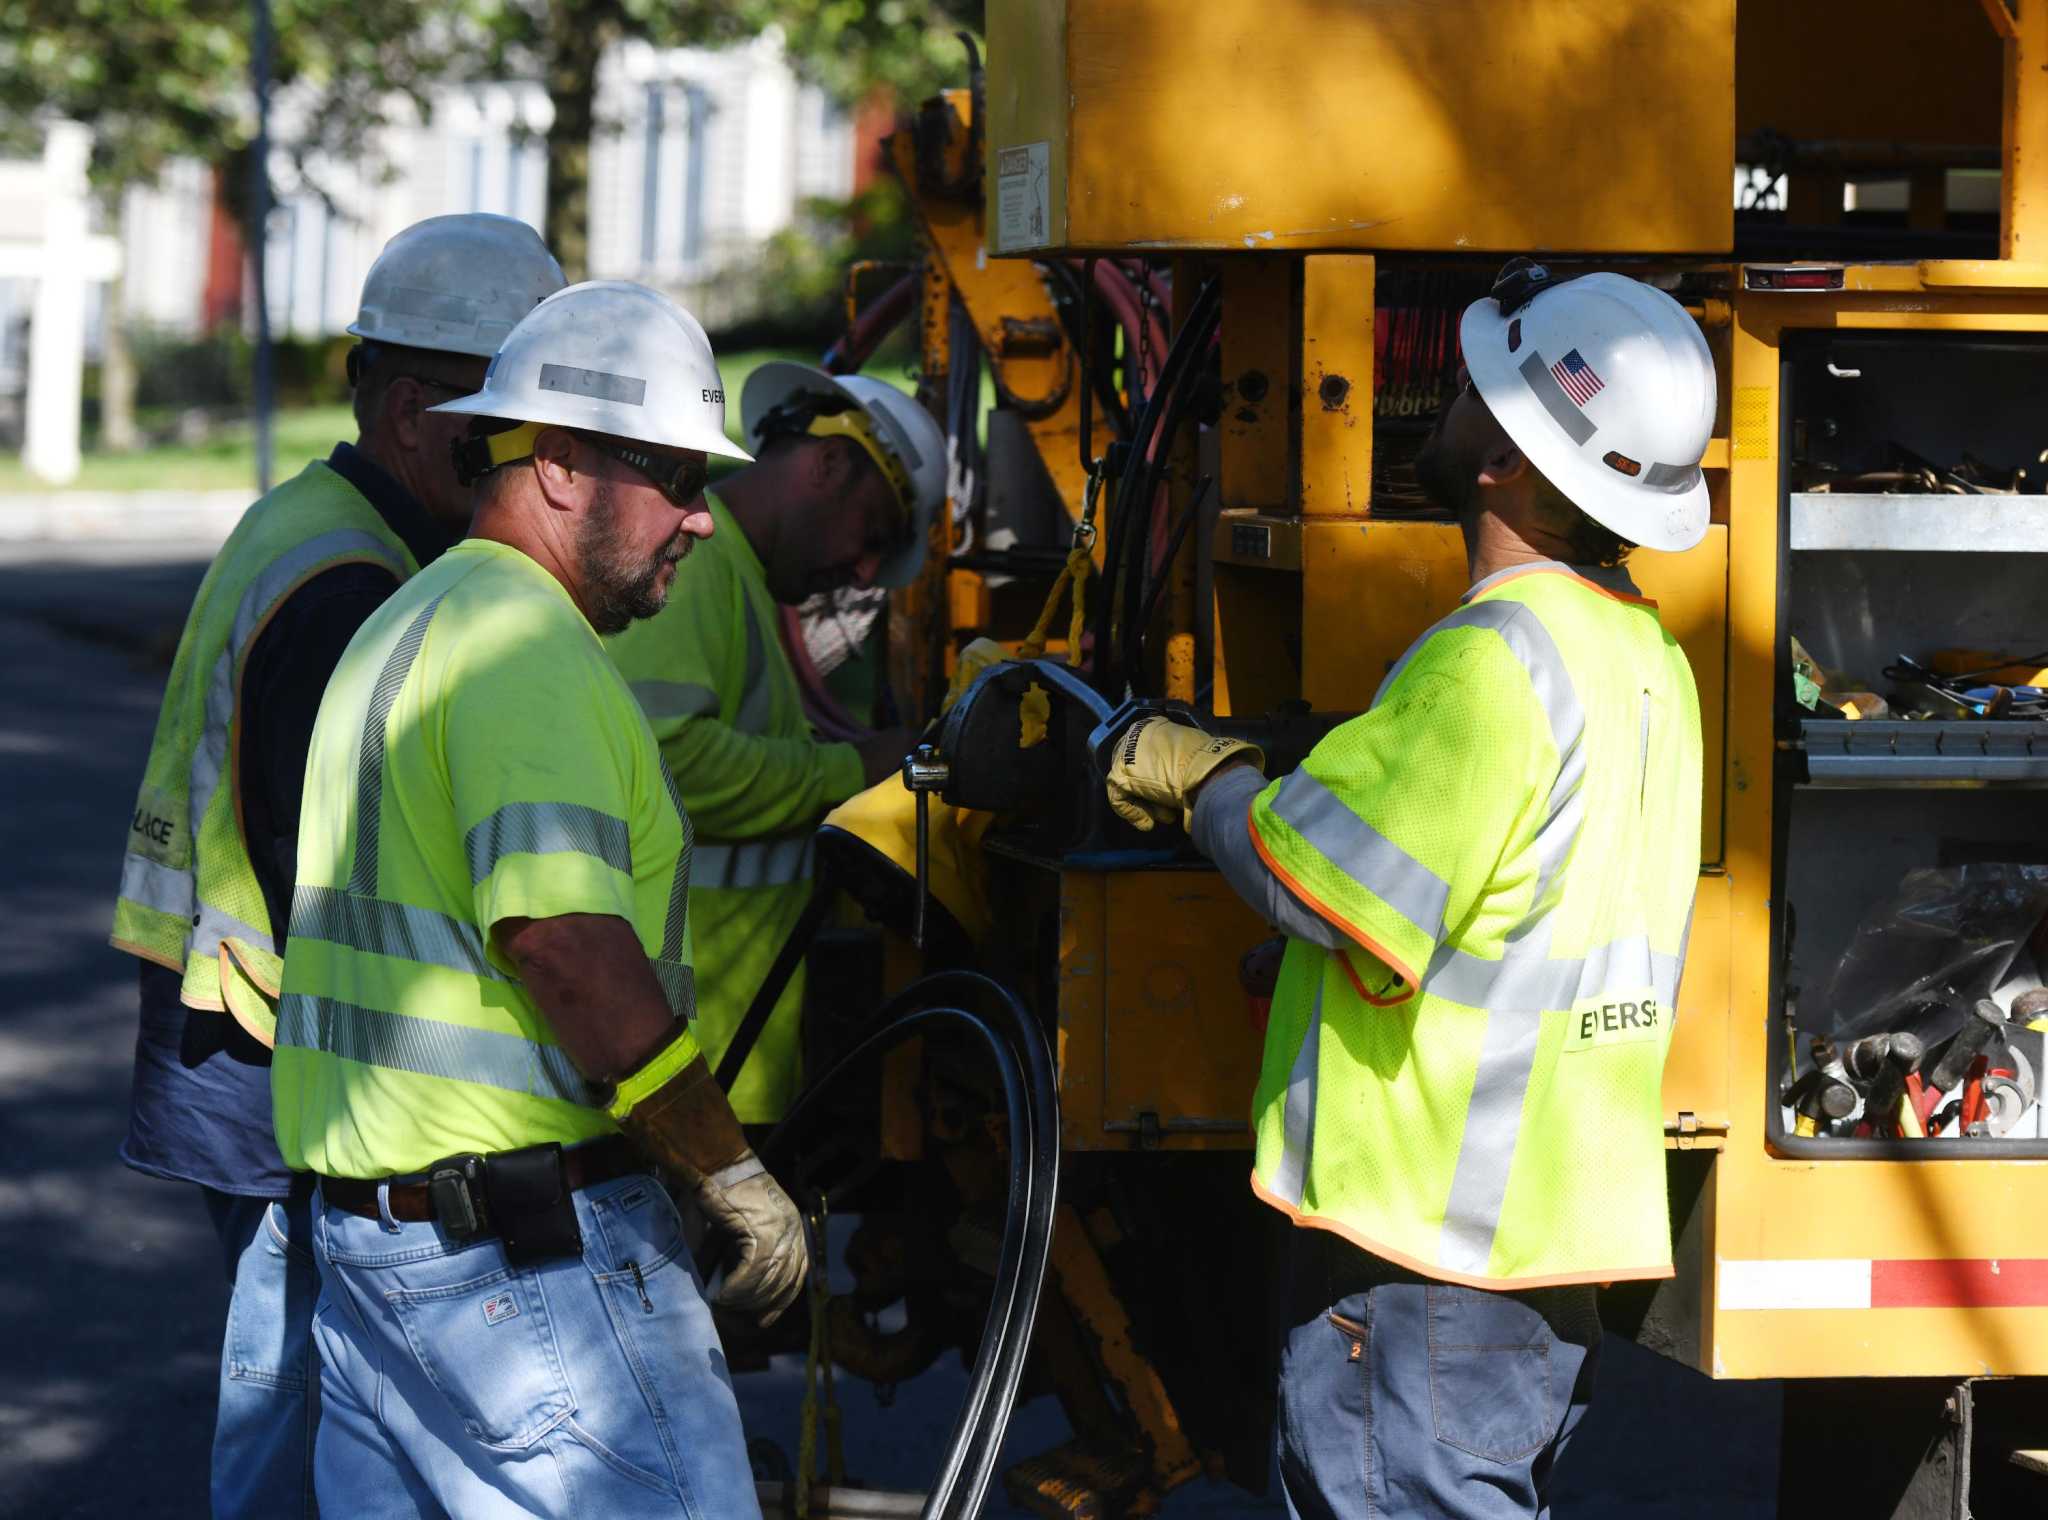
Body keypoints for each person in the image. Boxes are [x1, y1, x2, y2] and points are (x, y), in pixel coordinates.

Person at [1103, 260, 1716, 1520]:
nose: (1440, 396)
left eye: (1473, 388)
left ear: (1499, 455)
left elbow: (1312, 884)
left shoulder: (1488, 665)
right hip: (1537, 1259)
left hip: (1425, 1257)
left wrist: (1200, 778)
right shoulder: (1645, 656)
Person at [271, 279, 807, 1516]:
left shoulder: (414, 617)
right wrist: (723, 1169)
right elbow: (560, 941)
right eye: (676, 476)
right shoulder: (526, 651)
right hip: (521, 1269)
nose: (703, 521)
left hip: (380, 1255)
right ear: (562, 466)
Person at [108, 213, 565, 1517]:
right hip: (263, 1039)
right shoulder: (352, 580)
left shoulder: (319, 525)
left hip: (231, 1019)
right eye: (503, 428)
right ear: (414, 406)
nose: (522, 464)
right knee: (303, 1395)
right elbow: (337, 864)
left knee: (293, 1385)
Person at [605, 363, 943, 1122]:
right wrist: (858, 767)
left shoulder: (737, 578)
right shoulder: (693, 570)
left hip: (720, 1057)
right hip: (686, 1058)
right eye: (873, 531)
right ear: (825, 462)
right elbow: (672, 763)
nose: (863, 570)